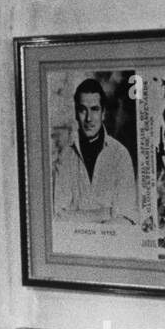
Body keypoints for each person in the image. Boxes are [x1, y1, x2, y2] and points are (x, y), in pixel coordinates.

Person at [52, 78, 139, 224]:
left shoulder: (120, 155)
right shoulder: (65, 157)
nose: (88, 118)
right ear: (75, 114)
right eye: (82, 110)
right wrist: (106, 213)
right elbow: (59, 217)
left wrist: (77, 216)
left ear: (103, 113)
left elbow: (126, 216)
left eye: (94, 109)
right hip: (74, 243)